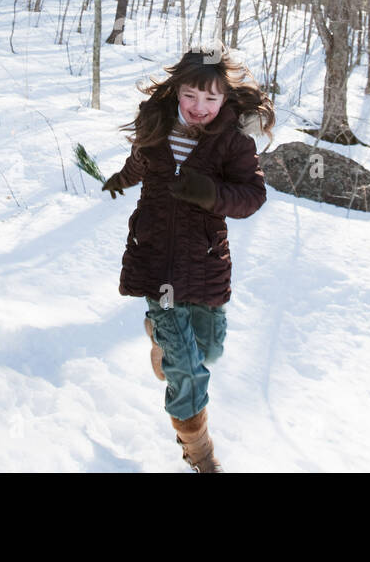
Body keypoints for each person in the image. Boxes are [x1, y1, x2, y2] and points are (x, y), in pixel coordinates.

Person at [101, 44, 274, 472]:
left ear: (225, 99)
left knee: (210, 349)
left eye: (211, 99)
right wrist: (119, 180)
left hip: (206, 263)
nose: (199, 108)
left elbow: (253, 196)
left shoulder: (233, 142)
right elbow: (139, 162)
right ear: (177, 91)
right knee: (189, 371)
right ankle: (201, 453)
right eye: (191, 96)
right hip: (156, 262)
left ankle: (160, 341)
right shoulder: (157, 127)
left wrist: (212, 195)